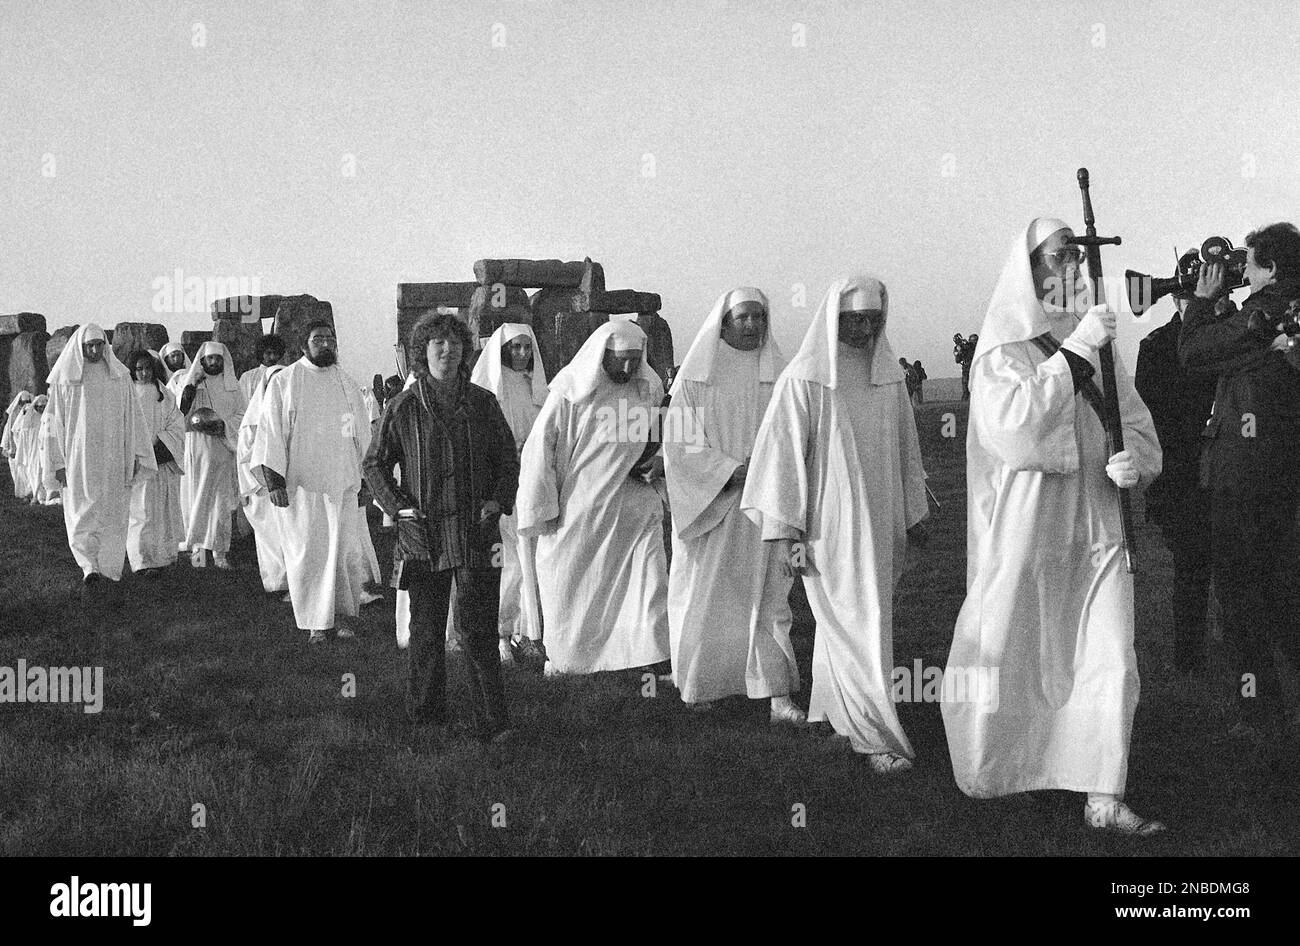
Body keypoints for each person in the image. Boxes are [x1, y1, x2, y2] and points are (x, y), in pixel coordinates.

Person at [942, 217, 1164, 835]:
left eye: (1075, 254)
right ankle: (1010, 765)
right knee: (1024, 646)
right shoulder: (1002, 351)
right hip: (1030, 525)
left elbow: (1136, 422)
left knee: (1110, 651)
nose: (1071, 265)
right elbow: (1013, 430)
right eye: (1059, 255)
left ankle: (1102, 792)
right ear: (1030, 267)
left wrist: (1134, 463)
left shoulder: (1093, 339)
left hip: (1097, 519)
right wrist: (1073, 355)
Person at [742, 276, 929, 773]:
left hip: (882, 524)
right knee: (858, 627)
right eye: (854, 320)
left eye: (873, 319)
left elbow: (907, 452)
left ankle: (832, 710)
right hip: (829, 530)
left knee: (855, 624)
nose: (865, 329)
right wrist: (785, 533)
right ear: (833, 318)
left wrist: (914, 516)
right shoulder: (804, 379)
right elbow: (782, 459)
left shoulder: (889, 378)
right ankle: (876, 738)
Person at [364, 312, 517, 739]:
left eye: (453, 343)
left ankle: (493, 722)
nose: (447, 350)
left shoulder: (483, 403)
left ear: (465, 350)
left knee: (479, 630)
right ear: (422, 352)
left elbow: (508, 459)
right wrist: (397, 507)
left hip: (475, 532)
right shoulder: (404, 406)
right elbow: (374, 463)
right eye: (437, 344)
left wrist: (498, 501)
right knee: (426, 631)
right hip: (423, 536)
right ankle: (426, 718)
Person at [1179, 221, 1300, 749]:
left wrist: (1203, 302)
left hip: (1247, 480)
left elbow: (1194, 353)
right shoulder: (1277, 313)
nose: (1240, 274)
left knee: (1245, 599)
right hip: (1276, 474)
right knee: (1279, 592)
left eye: (1248, 265)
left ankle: (1261, 716)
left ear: (1271, 269)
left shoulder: (1269, 310)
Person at [663, 288, 804, 723]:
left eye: (759, 316)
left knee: (772, 598)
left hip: (768, 504)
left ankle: (776, 692)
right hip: (716, 506)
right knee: (708, 598)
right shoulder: (693, 379)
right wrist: (728, 471)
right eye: (743, 317)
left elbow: (798, 435)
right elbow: (679, 444)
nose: (752, 325)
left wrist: (769, 475)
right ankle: (703, 684)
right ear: (723, 322)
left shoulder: (782, 375)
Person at [516, 320, 671, 676]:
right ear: (603, 355)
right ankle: (570, 659)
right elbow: (540, 451)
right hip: (581, 510)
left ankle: (646, 655)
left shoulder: (649, 388)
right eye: (621, 360)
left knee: (647, 583)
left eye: (636, 359)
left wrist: (660, 461)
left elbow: (672, 435)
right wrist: (540, 507)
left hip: (635, 506)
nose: (629, 368)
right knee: (571, 584)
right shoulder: (570, 392)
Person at [252, 321, 375, 643]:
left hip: (344, 483)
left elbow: (362, 434)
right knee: (309, 553)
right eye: (318, 339)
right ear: (304, 346)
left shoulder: (347, 383)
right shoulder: (286, 382)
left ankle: (343, 616)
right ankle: (316, 623)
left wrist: (366, 480)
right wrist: (274, 481)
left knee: (345, 553)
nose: (325, 344)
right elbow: (270, 433)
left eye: (330, 339)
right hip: (302, 487)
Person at [1135, 288, 1221, 674]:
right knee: (1191, 566)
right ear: (1177, 302)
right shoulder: (1157, 345)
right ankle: (1190, 657)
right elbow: (1146, 416)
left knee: (1221, 565)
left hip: (1209, 466)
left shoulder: (1222, 335)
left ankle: (1203, 654)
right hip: (1181, 472)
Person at [41, 324, 155, 585]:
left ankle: (110, 567)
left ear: (105, 345)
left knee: (114, 511)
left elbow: (133, 418)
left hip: (113, 455)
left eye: (99, 345)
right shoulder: (64, 379)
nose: (94, 350)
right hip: (78, 457)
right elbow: (52, 423)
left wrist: (137, 454)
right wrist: (57, 461)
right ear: (80, 348)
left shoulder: (120, 377)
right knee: (81, 511)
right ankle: (88, 566)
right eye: (89, 346)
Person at [471, 322, 549, 666]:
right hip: (501, 481)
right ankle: (501, 632)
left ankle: (529, 631)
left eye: (527, 348)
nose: (522, 354)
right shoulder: (489, 387)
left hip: (534, 480)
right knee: (507, 560)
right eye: (515, 348)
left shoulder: (538, 388)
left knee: (533, 558)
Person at [177, 341, 246, 569]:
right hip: (197, 448)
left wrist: (223, 425)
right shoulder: (193, 383)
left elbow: (242, 415)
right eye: (210, 359)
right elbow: (180, 413)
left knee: (221, 502)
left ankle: (219, 553)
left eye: (218, 359)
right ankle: (197, 551)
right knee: (197, 499)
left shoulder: (233, 386)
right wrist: (192, 387)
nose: (214, 363)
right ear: (202, 361)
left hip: (223, 448)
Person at [126, 351, 187, 575]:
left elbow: (176, 422)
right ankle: (143, 560)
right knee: (142, 511)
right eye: (139, 369)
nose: (144, 373)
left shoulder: (165, 394)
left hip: (162, 459)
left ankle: (165, 555)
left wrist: (164, 446)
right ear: (132, 370)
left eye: (147, 368)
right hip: (140, 462)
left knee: (164, 510)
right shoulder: (127, 394)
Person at [237, 364, 289, 595]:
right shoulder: (253, 419)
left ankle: (296, 583)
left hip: (290, 484)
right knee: (271, 538)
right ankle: (277, 582)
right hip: (262, 487)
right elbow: (245, 455)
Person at [20, 395, 55, 505]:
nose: (41, 409)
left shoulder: (49, 417)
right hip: (34, 450)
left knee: (44, 470)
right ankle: (37, 495)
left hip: (46, 449)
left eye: (44, 406)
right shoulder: (32, 418)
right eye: (39, 406)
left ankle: (43, 495)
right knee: (34, 471)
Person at [2, 391, 34, 499]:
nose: (25, 403)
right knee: (18, 471)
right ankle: (23, 492)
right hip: (15, 447)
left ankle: (30, 491)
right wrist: (12, 448)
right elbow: (10, 432)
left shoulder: (31, 411)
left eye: (28, 401)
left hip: (29, 447)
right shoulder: (13, 415)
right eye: (23, 402)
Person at [239, 334, 287, 402]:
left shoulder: (285, 374)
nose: (272, 357)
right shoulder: (248, 377)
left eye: (275, 353)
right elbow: (242, 402)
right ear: (261, 353)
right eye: (268, 353)